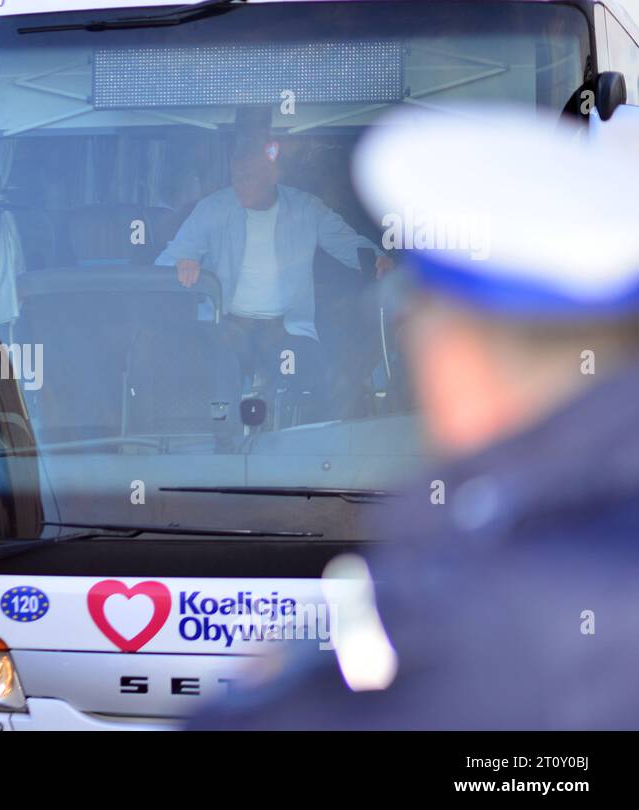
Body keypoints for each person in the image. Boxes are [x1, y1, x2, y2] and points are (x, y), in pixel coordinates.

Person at [188, 106, 639, 730]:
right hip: (233, 330)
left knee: (323, 377)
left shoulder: (452, 640)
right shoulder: (213, 211)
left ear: (456, 361)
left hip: (292, 332)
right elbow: (175, 260)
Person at [157, 138, 392, 411]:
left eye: (248, 176)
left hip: (285, 329)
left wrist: (378, 259)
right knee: (211, 377)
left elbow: (348, 244)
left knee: (316, 380)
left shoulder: (306, 209)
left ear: (273, 175)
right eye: (236, 176)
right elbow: (168, 259)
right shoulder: (212, 209)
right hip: (225, 328)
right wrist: (183, 263)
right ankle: (221, 444)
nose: (240, 183)